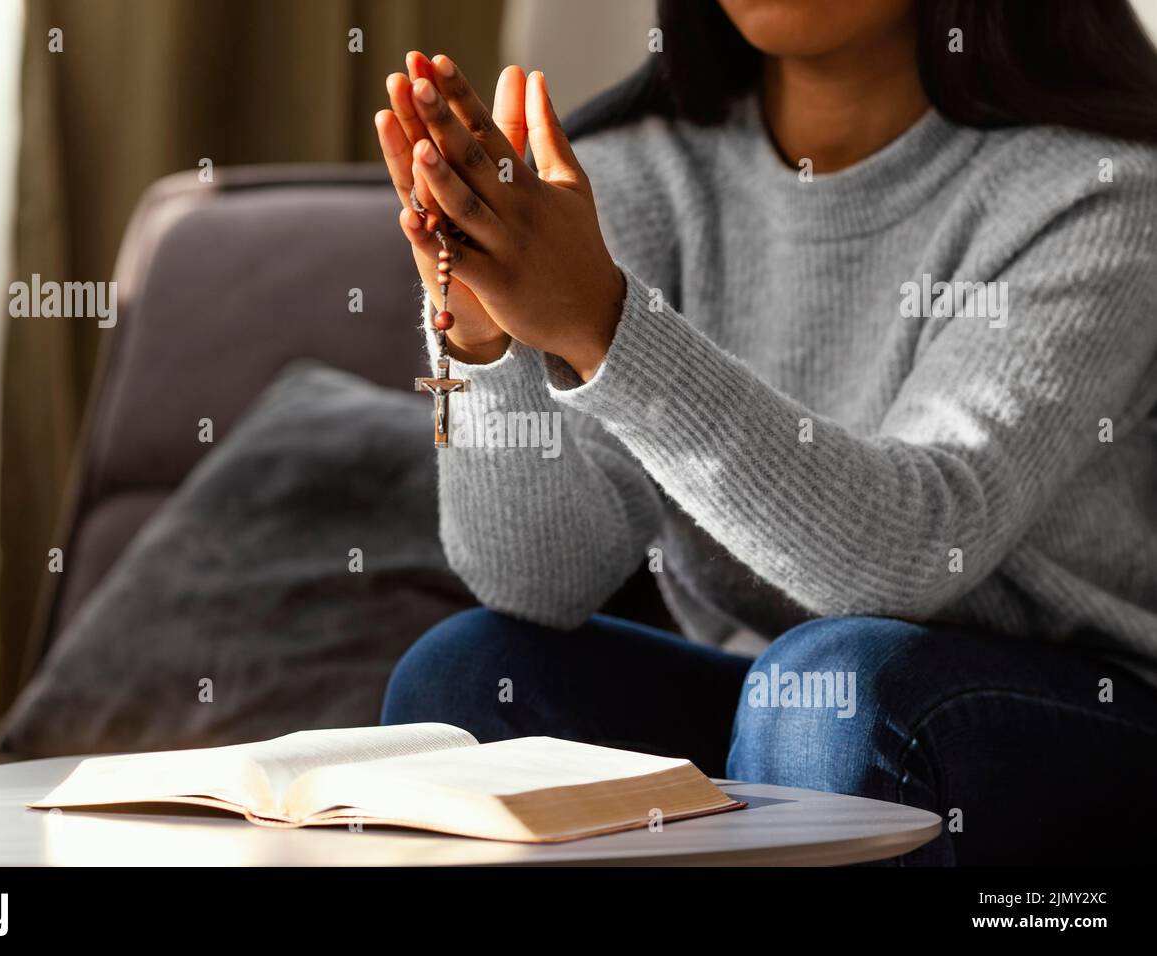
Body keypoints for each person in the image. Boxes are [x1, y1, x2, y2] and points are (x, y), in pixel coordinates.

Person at [371, 0, 1157, 864]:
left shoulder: (1100, 190)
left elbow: (921, 548)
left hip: (1069, 717)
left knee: (829, 690)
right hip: (781, 705)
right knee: (466, 672)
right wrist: (485, 341)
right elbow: (539, 584)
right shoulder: (635, 174)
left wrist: (603, 324)